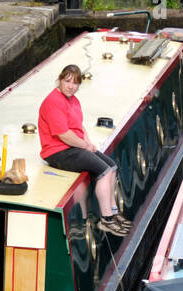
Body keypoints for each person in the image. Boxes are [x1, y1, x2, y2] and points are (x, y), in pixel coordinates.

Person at [38, 65, 129, 237]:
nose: (71, 86)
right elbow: (64, 135)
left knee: (112, 166)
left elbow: (78, 125)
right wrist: (84, 145)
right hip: (58, 152)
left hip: (73, 146)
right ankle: (107, 220)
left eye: (75, 83)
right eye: (67, 81)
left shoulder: (73, 100)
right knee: (104, 171)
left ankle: (114, 211)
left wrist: (88, 142)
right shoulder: (53, 101)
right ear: (60, 80)